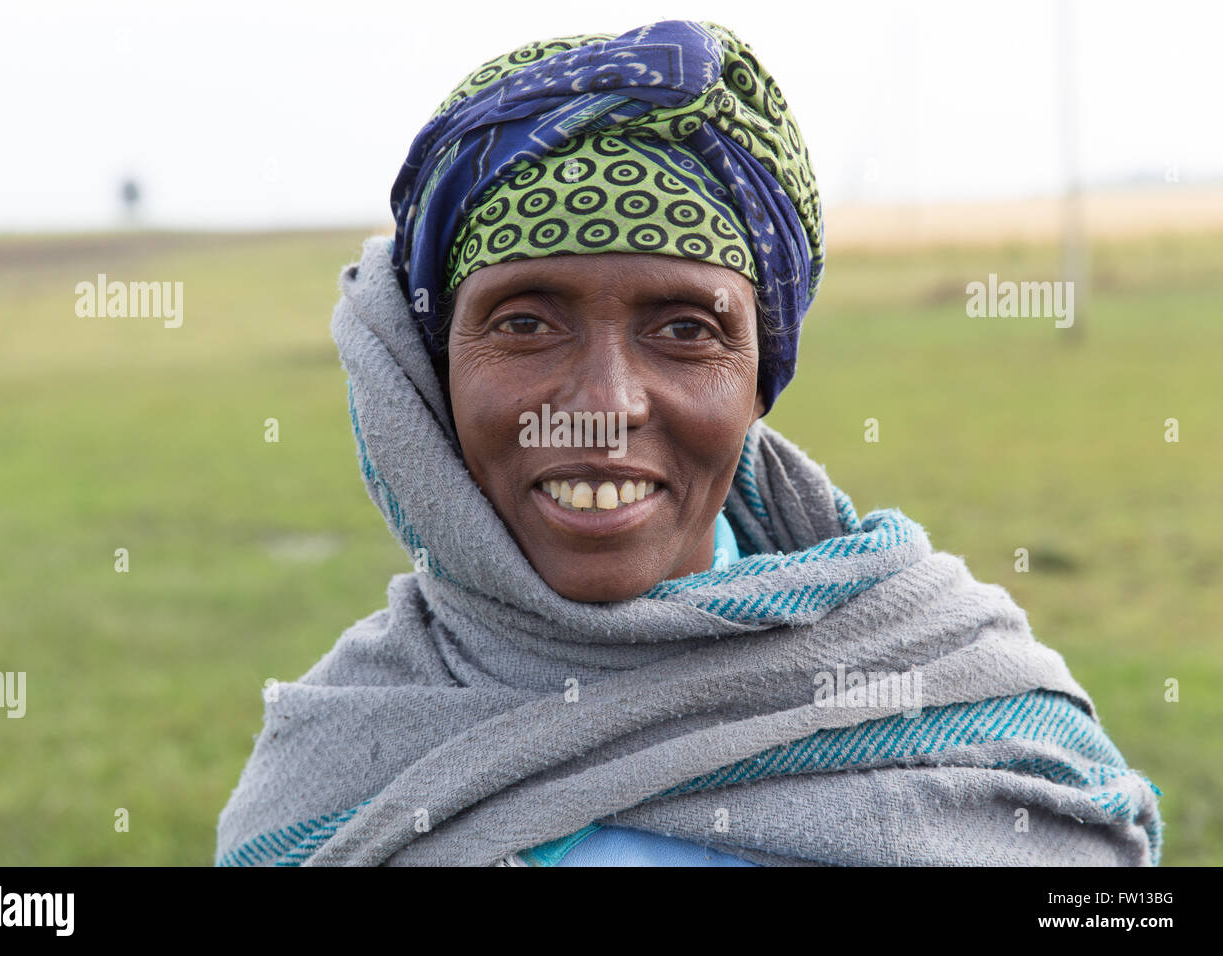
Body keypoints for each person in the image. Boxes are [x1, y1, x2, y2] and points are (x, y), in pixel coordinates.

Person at [215, 18, 1161, 866]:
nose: (603, 403)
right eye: (525, 323)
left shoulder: (964, 711)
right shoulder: (331, 773)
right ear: (432, 376)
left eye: (684, 330)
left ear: (760, 383)